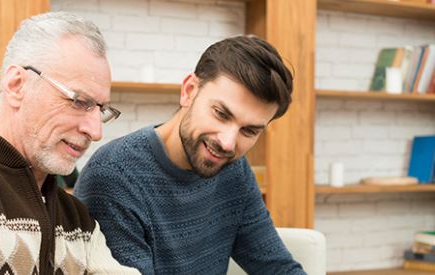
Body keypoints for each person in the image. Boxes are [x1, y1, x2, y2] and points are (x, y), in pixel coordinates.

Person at [0, 12, 139, 275]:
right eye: (79, 102)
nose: (95, 131)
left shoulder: (77, 219)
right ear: (16, 86)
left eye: (101, 109)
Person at [75, 35, 307, 275]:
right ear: (189, 91)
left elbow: (277, 266)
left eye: (249, 131)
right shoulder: (114, 177)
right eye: (221, 114)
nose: (227, 143)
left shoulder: (233, 169)